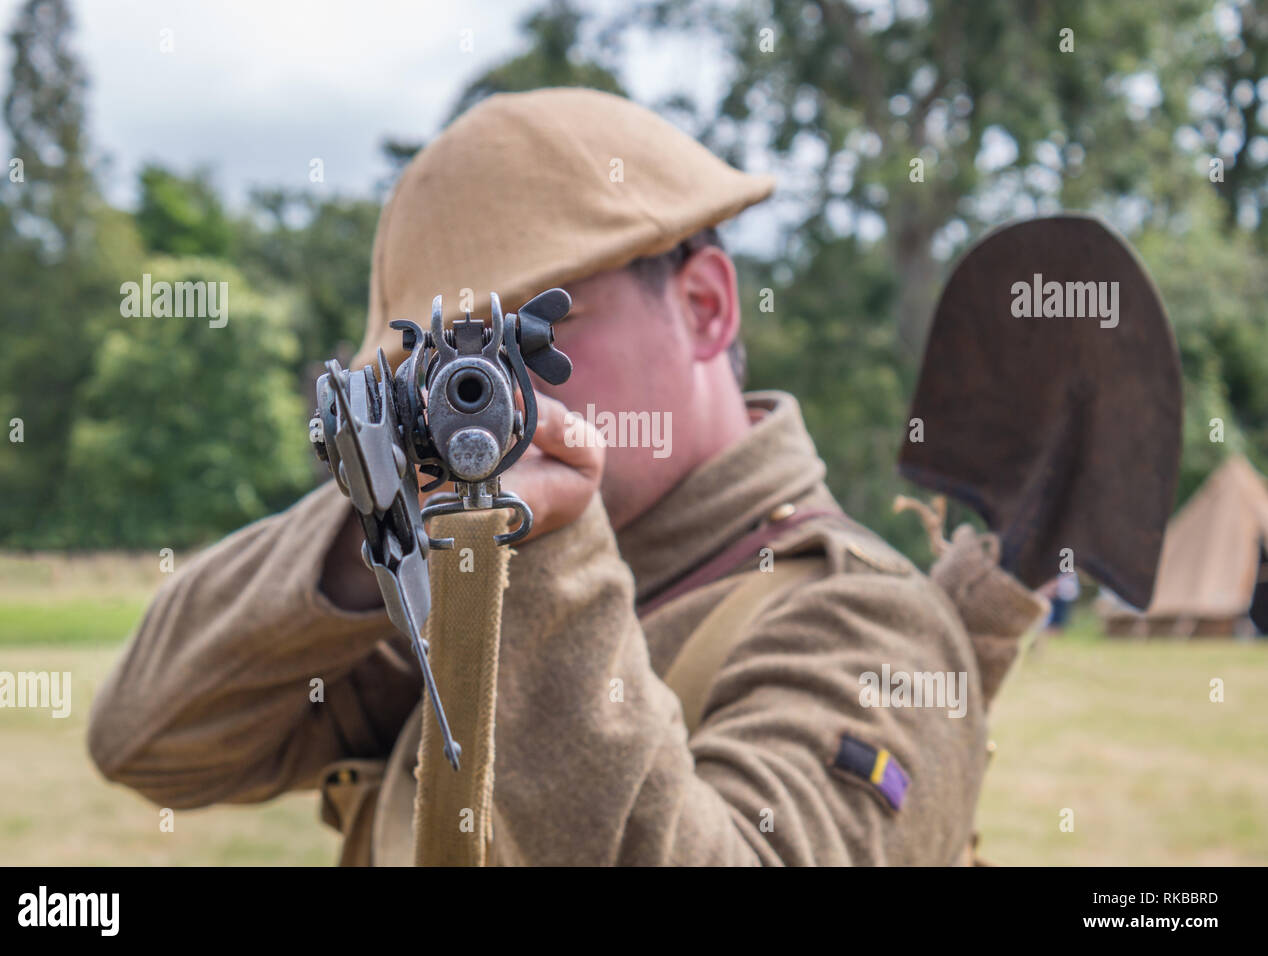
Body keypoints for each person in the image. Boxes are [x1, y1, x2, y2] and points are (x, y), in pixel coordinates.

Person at [88, 88, 1045, 865]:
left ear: (706, 306)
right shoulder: (451, 581)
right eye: (430, 372)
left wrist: (540, 551)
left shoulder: (866, 623)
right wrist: (377, 527)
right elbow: (149, 737)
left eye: (532, 331)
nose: (483, 393)